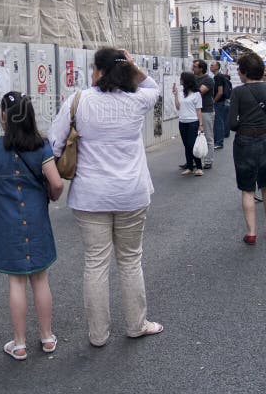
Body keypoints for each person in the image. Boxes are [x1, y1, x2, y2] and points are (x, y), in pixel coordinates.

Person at [49, 47, 162, 347]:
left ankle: (98, 335)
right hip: (132, 194)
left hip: (90, 196)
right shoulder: (138, 100)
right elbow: (153, 87)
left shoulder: (79, 100)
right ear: (124, 71)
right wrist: (131, 65)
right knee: (130, 261)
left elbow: (54, 142)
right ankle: (137, 324)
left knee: (96, 263)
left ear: (98, 71)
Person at [0, 91, 64, 360]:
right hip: (37, 221)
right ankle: (47, 338)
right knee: (40, 278)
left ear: (4, 116)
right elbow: (57, 183)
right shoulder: (41, 147)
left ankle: (19, 344)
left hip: (7, 225)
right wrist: (53, 195)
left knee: (16, 281)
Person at [229, 52, 266, 244]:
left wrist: (243, 125)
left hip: (244, 141)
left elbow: (231, 123)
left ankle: (251, 232)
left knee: (247, 189)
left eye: (239, 70)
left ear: (244, 72)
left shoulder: (237, 92)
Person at [173, 72, 204, 176]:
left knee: (192, 145)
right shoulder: (182, 93)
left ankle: (199, 167)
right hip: (182, 122)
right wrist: (176, 95)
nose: (180, 80)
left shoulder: (197, 94)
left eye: (181, 78)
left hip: (193, 122)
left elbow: (199, 110)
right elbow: (178, 107)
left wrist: (200, 124)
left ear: (186, 80)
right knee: (186, 145)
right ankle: (190, 167)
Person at [192, 59, 215, 168]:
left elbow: (199, 92)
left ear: (201, 68)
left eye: (195, 67)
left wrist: (190, 86)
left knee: (208, 136)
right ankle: (195, 160)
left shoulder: (208, 80)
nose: (193, 68)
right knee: (194, 137)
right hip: (194, 111)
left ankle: (208, 161)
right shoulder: (194, 79)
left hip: (206, 110)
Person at [210, 61, 228, 150]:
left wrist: (213, 101)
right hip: (218, 102)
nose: (211, 67)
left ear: (217, 67)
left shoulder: (219, 77)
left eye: (212, 65)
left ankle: (219, 142)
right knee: (217, 122)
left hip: (219, 103)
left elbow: (220, 92)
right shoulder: (216, 77)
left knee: (218, 122)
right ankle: (217, 141)